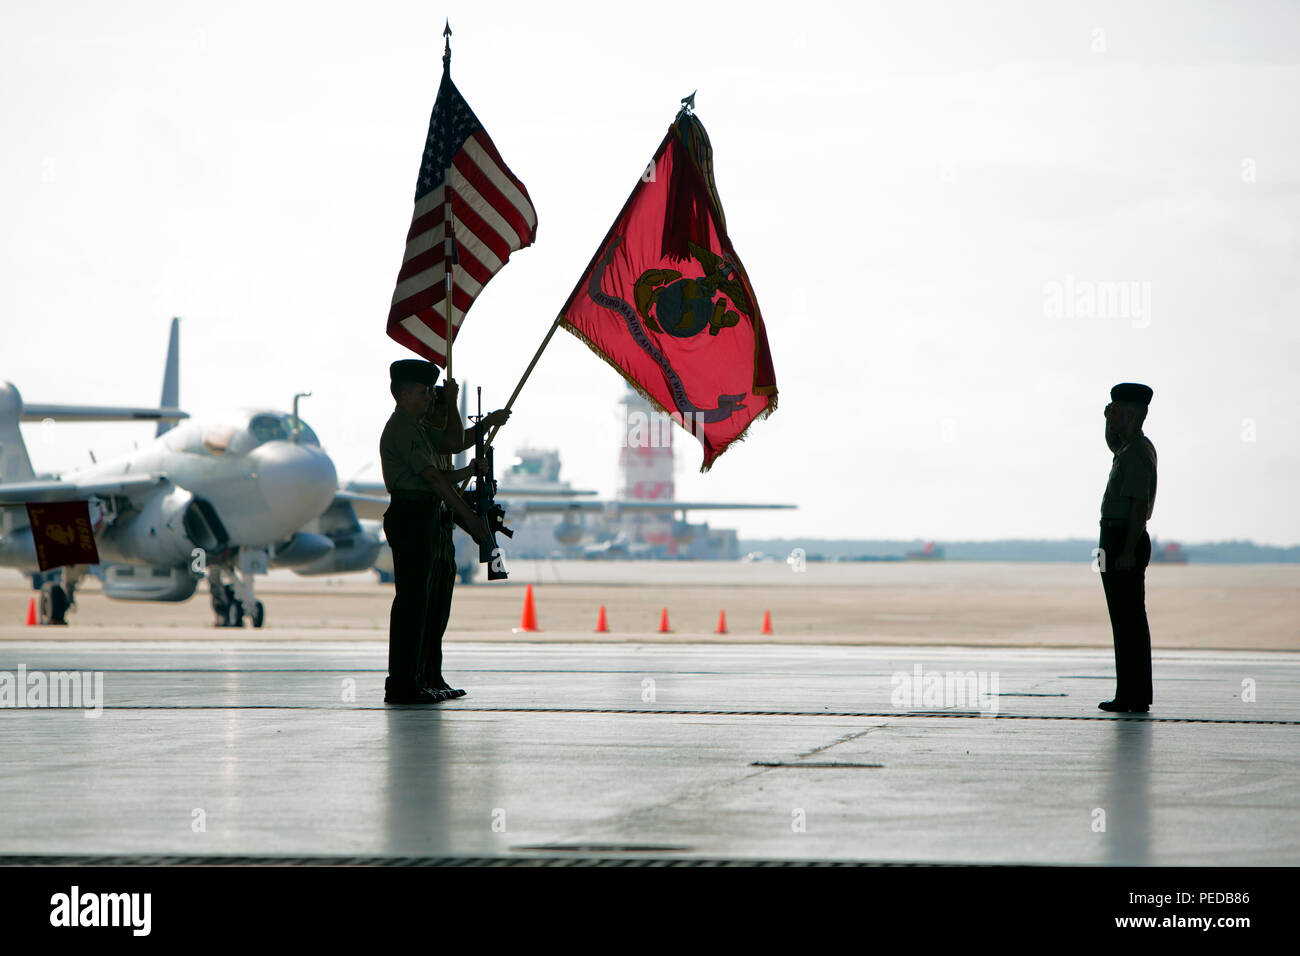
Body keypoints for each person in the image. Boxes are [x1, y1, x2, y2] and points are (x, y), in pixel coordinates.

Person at [379, 359, 503, 704]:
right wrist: (469, 516)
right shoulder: (402, 428)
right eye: (424, 392)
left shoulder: (418, 428)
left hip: (430, 517)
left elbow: (451, 443)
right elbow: (433, 478)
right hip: (412, 515)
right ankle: (403, 683)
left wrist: (485, 424)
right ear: (403, 395)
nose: (430, 398)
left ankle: (427, 676)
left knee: (434, 604)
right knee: (414, 604)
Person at [1097, 382, 1157, 714]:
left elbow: (1137, 506)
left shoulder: (1137, 451)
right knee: (1123, 620)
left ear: (1131, 414)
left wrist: (1128, 550)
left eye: (1116, 411)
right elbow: (1112, 445)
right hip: (1115, 538)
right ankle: (1129, 694)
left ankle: (1133, 696)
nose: (1112, 415)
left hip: (1124, 539)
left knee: (1129, 621)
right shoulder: (1129, 447)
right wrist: (1108, 424)